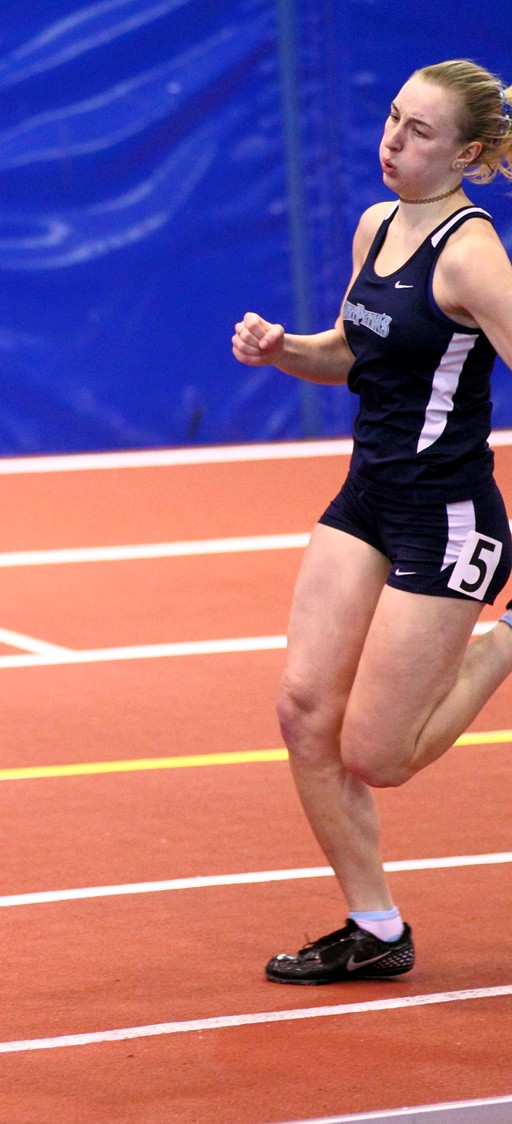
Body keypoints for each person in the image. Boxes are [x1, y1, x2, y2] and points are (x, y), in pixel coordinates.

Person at [233, 60, 512, 984]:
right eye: (392, 119)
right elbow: (350, 352)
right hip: (368, 499)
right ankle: (376, 926)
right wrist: (285, 352)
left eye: (418, 132)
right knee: (305, 712)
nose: (392, 141)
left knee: (378, 756)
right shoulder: (375, 225)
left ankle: (508, 636)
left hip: (448, 514)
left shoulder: (473, 255)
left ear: (467, 154)